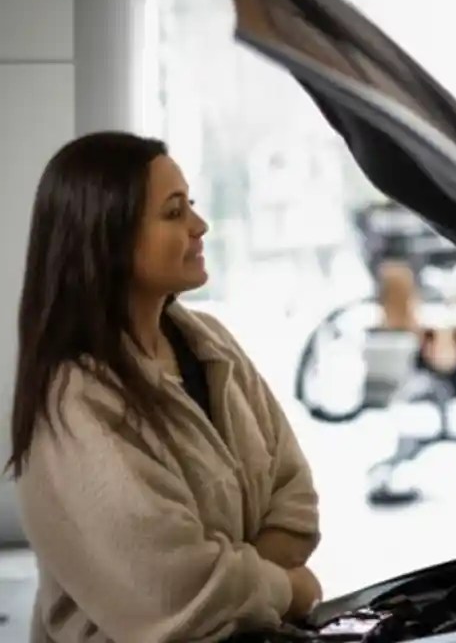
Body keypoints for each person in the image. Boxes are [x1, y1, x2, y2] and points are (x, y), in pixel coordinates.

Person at [9, 132, 323, 642]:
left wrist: (238, 588)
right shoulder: (74, 403)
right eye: (174, 213)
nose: (200, 226)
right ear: (107, 235)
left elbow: (296, 496)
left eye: (191, 206)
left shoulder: (210, 343)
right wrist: (289, 591)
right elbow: (171, 596)